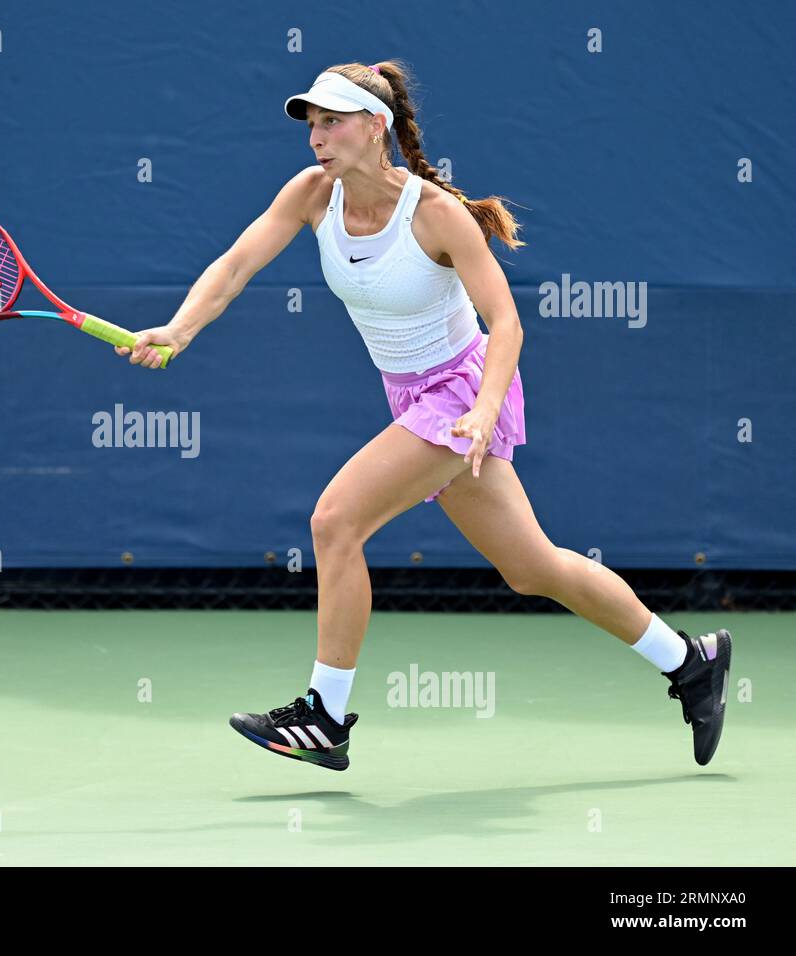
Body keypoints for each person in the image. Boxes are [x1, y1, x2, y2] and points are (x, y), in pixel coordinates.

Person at [115, 61, 731, 771]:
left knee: (335, 520)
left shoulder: (434, 213)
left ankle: (325, 714)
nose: (317, 138)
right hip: (410, 395)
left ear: (375, 127)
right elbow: (233, 265)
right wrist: (179, 328)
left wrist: (484, 409)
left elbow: (505, 322)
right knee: (532, 568)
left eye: (332, 121)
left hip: (463, 393)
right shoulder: (312, 196)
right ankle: (690, 660)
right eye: (312, 124)